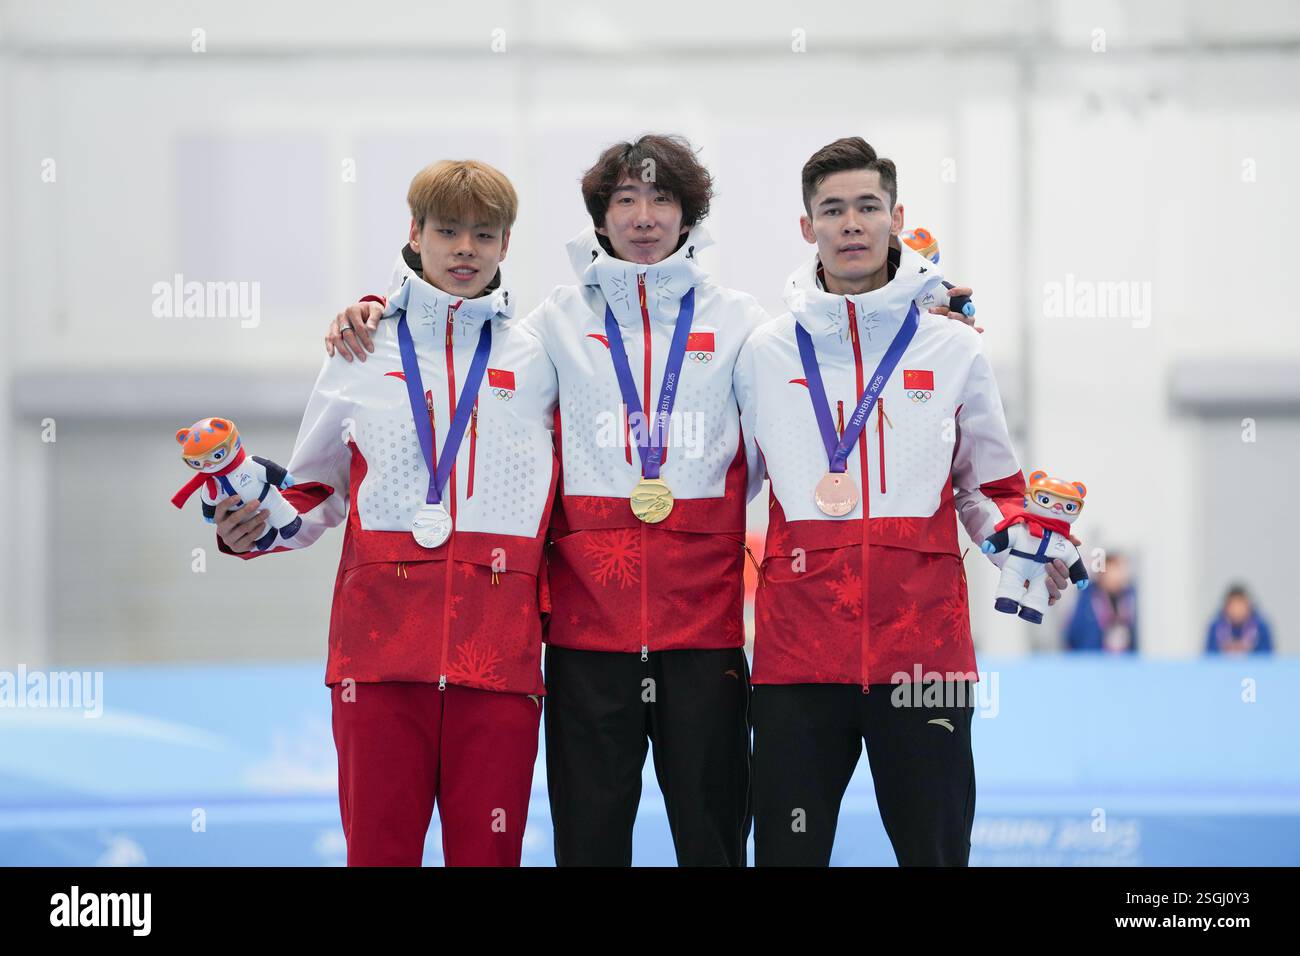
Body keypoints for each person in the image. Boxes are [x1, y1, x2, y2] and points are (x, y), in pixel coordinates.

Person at [734, 136, 1071, 866]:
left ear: (896, 217)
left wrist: (1020, 542)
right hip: (798, 658)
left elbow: (989, 487)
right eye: (832, 209)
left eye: (866, 206)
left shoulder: (953, 350)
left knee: (936, 852)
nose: (850, 223)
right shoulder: (765, 352)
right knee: (786, 856)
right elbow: (731, 483)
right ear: (807, 227)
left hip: (924, 655)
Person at [214, 159, 559, 866]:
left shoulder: (539, 360)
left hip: (499, 662)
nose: (466, 248)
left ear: (506, 244)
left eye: (484, 234)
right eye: (448, 230)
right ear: (415, 233)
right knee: (378, 855)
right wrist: (252, 526)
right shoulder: (361, 349)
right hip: (376, 658)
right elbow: (315, 492)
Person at [1064, 551, 1137, 653]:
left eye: (1118, 571)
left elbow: (1134, 634)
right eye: (1110, 571)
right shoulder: (1088, 596)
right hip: (1091, 658)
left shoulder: (1129, 596)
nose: (1115, 576)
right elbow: (1074, 632)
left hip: (1123, 660)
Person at [1205, 584, 1274, 655]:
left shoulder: (1261, 627)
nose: (1237, 609)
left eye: (1240, 604)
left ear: (1248, 605)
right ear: (1226, 607)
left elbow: (1267, 657)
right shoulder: (1216, 628)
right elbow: (1209, 656)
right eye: (1233, 605)